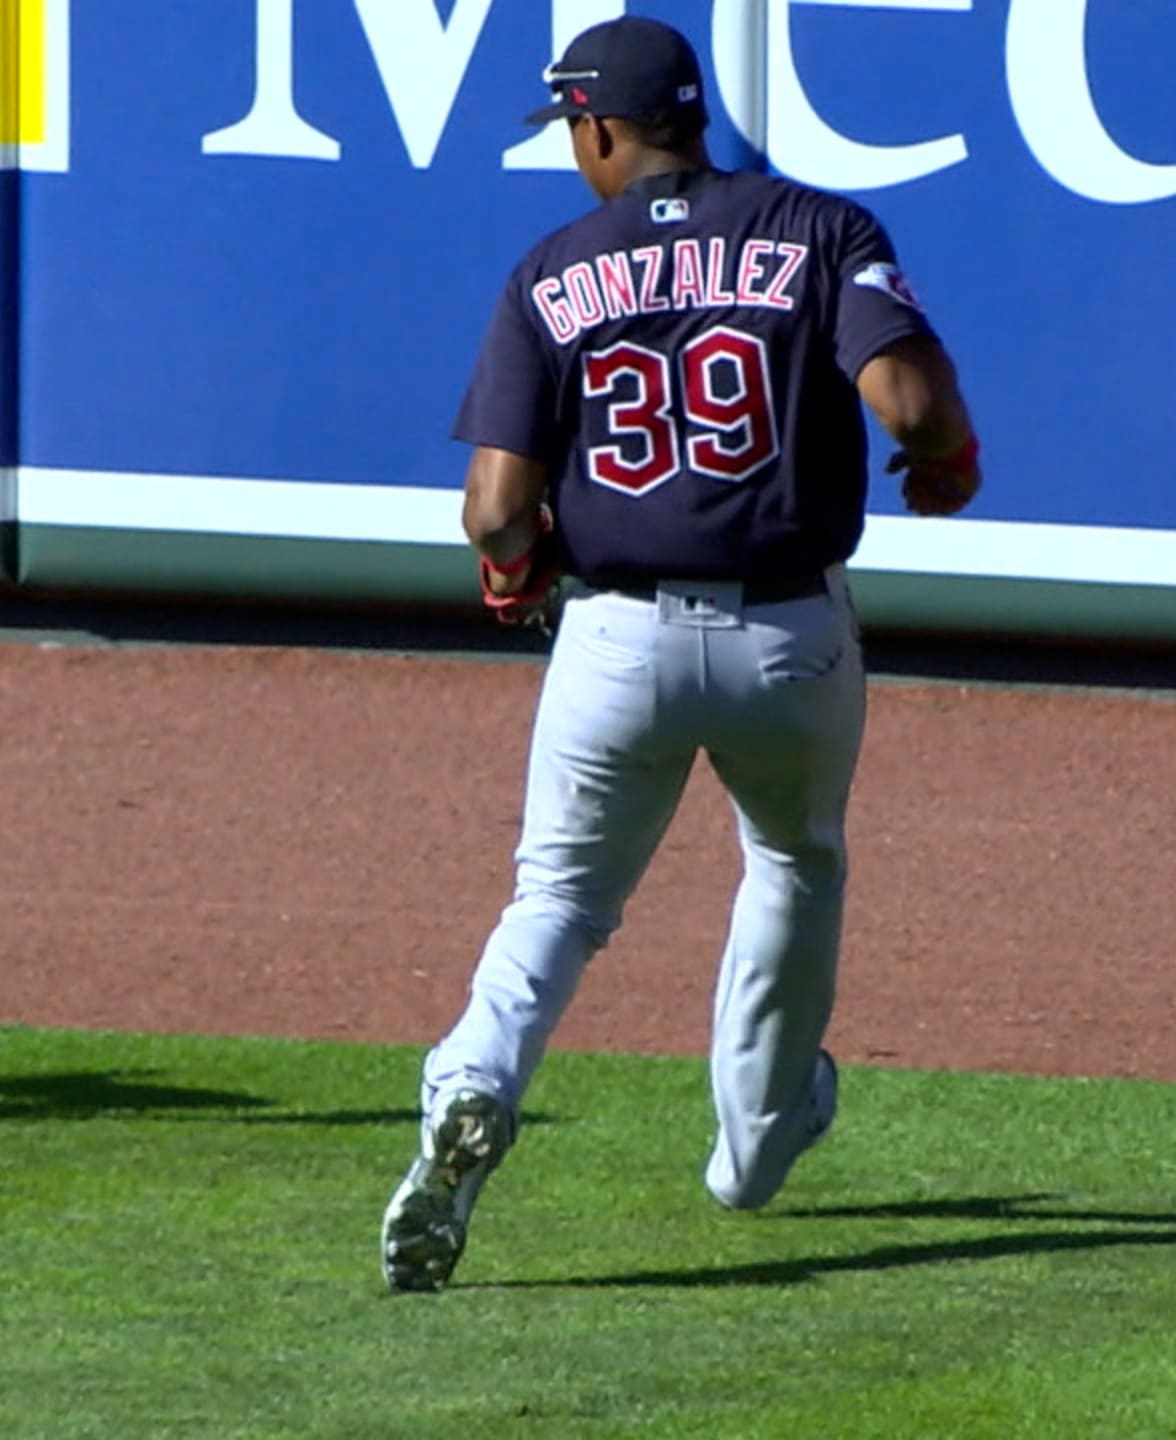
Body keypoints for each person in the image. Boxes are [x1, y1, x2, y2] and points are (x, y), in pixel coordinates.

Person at [378, 16, 981, 1291]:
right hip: (787, 634)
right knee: (793, 863)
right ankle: (753, 1149)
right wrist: (946, 463)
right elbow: (914, 407)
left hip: (614, 638)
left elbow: (495, 510)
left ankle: (472, 1081)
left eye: (571, 130)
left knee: (557, 900)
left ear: (600, 127)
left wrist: (511, 568)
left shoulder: (552, 268)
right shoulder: (820, 228)